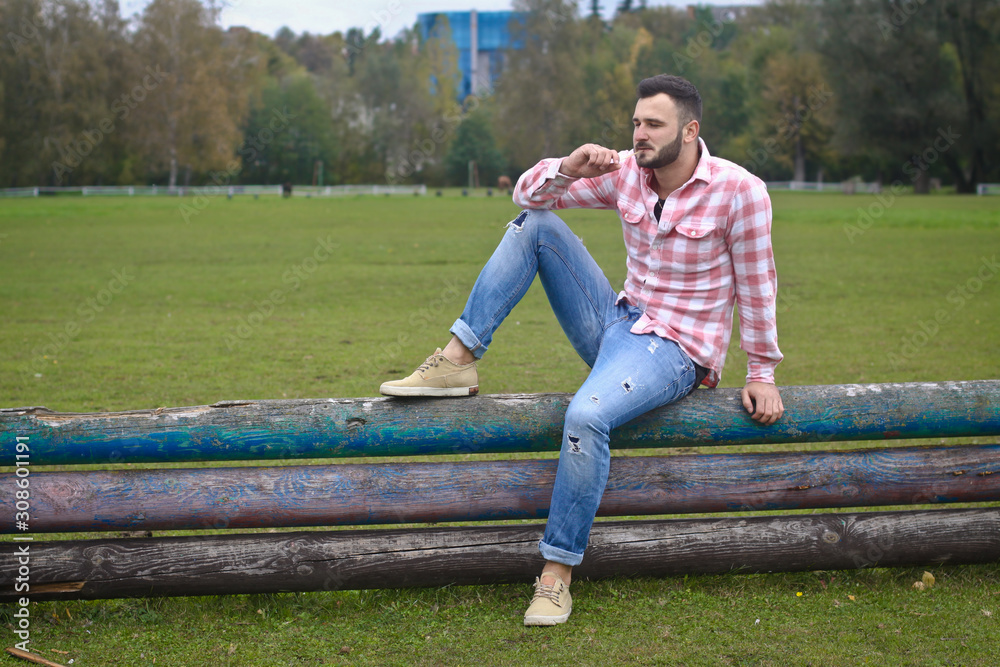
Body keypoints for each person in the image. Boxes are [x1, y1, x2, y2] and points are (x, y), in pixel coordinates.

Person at [380, 74, 785, 626]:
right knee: (536, 225)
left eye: (653, 125)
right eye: (636, 123)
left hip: (676, 351)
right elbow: (525, 195)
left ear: (690, 131)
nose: (639, 135)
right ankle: (457, 359)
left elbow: (758, 287)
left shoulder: (741, 192)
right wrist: (567, 168)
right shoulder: (626, 173)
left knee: (585, 416)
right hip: (616, 322)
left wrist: (760, 371)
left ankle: (555, 576)